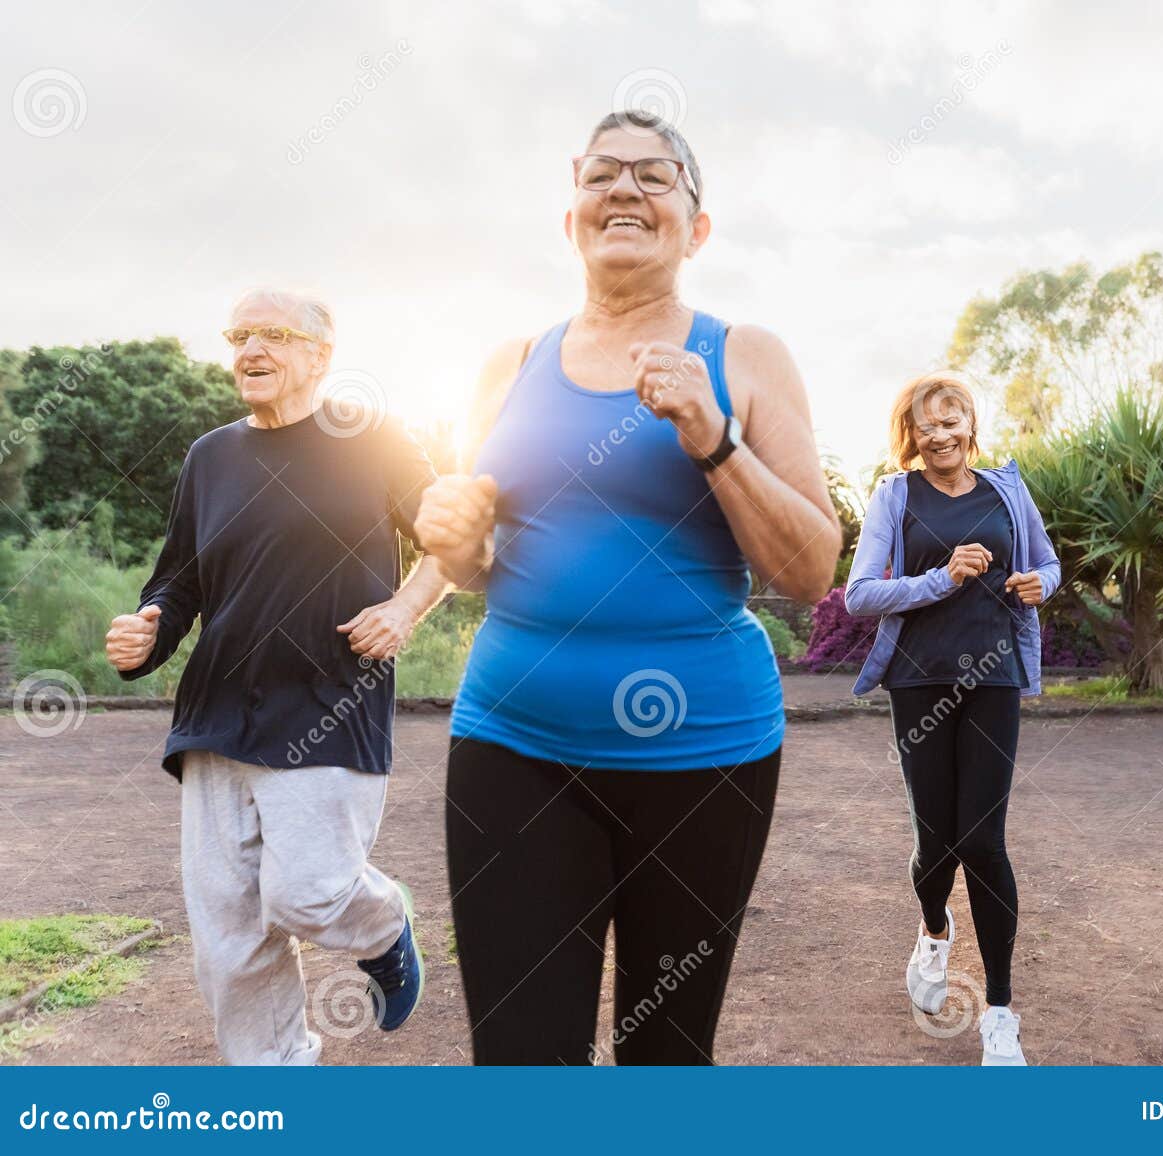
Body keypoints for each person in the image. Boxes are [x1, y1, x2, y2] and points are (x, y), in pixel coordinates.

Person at [414, 109, 840, 1065]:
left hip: (704, 762)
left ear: (697, 227)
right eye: (602, 173)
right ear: (572, 216)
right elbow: (476, 563)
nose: (624, 190)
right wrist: (456, 540)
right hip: (514, 743)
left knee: (666, 1058)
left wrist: (712, 437)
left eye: (657, 176)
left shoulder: (747, 356)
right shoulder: (509, 365)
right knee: (521, 1059)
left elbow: (810, 570)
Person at [105, 288, 448, 1065]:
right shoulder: (210, 456)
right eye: (239, 336)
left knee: (306, 893)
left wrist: (406, 608)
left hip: (329, 700)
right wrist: (144, 632)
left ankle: (385, 925)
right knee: (228, 940)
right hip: (216, 717)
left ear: (320, 356)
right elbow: (179, 583)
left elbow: (453, 542)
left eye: (272, 335)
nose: (249, 352)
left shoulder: (372, 440)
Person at [844, 372, 1060, 1066]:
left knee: (983, 840)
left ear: (971, 424)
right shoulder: (893, 495)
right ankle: (934, 931)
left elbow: (1048, 562)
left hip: (993, 676)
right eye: (926, 425)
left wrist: (1039, 583)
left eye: (953, 420)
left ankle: (1000, 1012)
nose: (941, 436)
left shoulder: (1007, 490)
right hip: (920, 679)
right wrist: (944, 578)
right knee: (936, 843)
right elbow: (860, 595)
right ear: (909, 434)